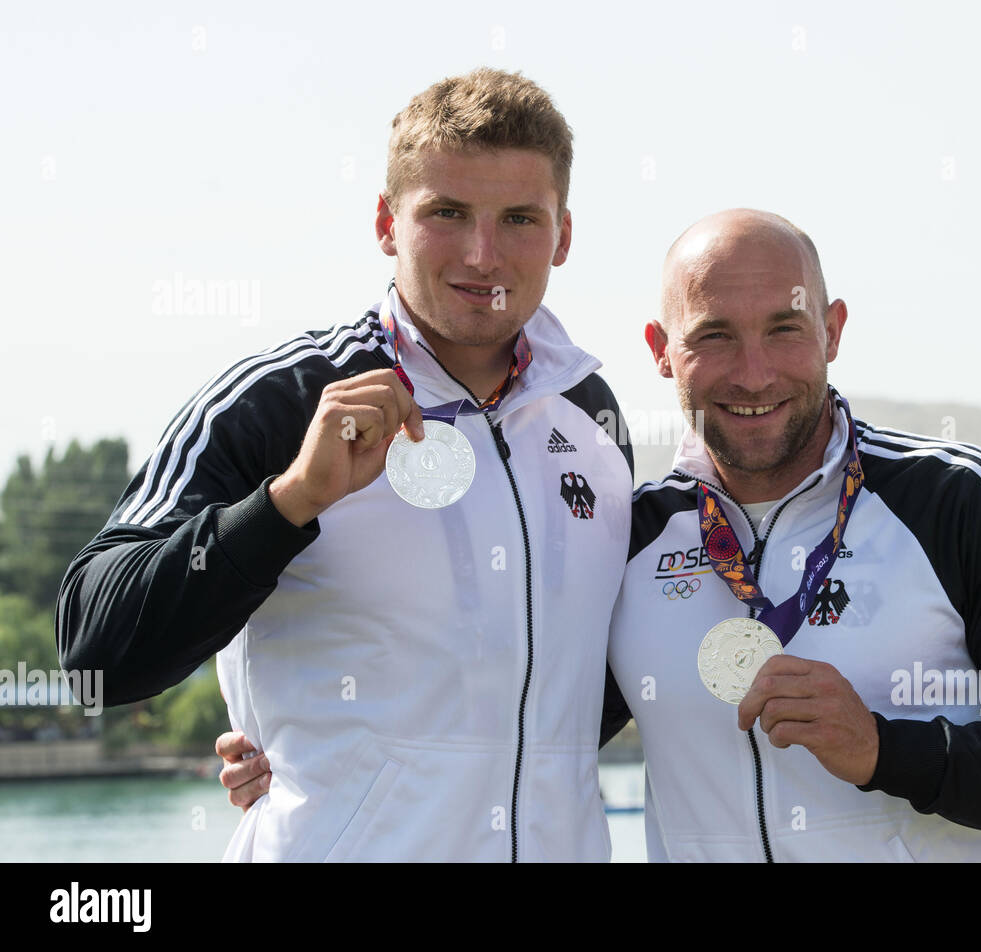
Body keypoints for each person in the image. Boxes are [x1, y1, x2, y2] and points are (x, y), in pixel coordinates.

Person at [221, 208, 981, 862]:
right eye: (713, 335)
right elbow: (514, 721)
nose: (752, 373)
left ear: (832, 330)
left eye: (784, 329)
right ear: (660, 351)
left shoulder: (960, 499)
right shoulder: (628, 534)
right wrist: (316, 753)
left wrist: (886, 748)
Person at [56, 68, 634, 862]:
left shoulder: (591, 411)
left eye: (520, 219)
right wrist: (289, 502)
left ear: (564, 235)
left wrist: (394, 753)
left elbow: (576, 683)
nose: (482, 253)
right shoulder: (276, 400)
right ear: (385, 224)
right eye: (447, 213)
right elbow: (93, 647)